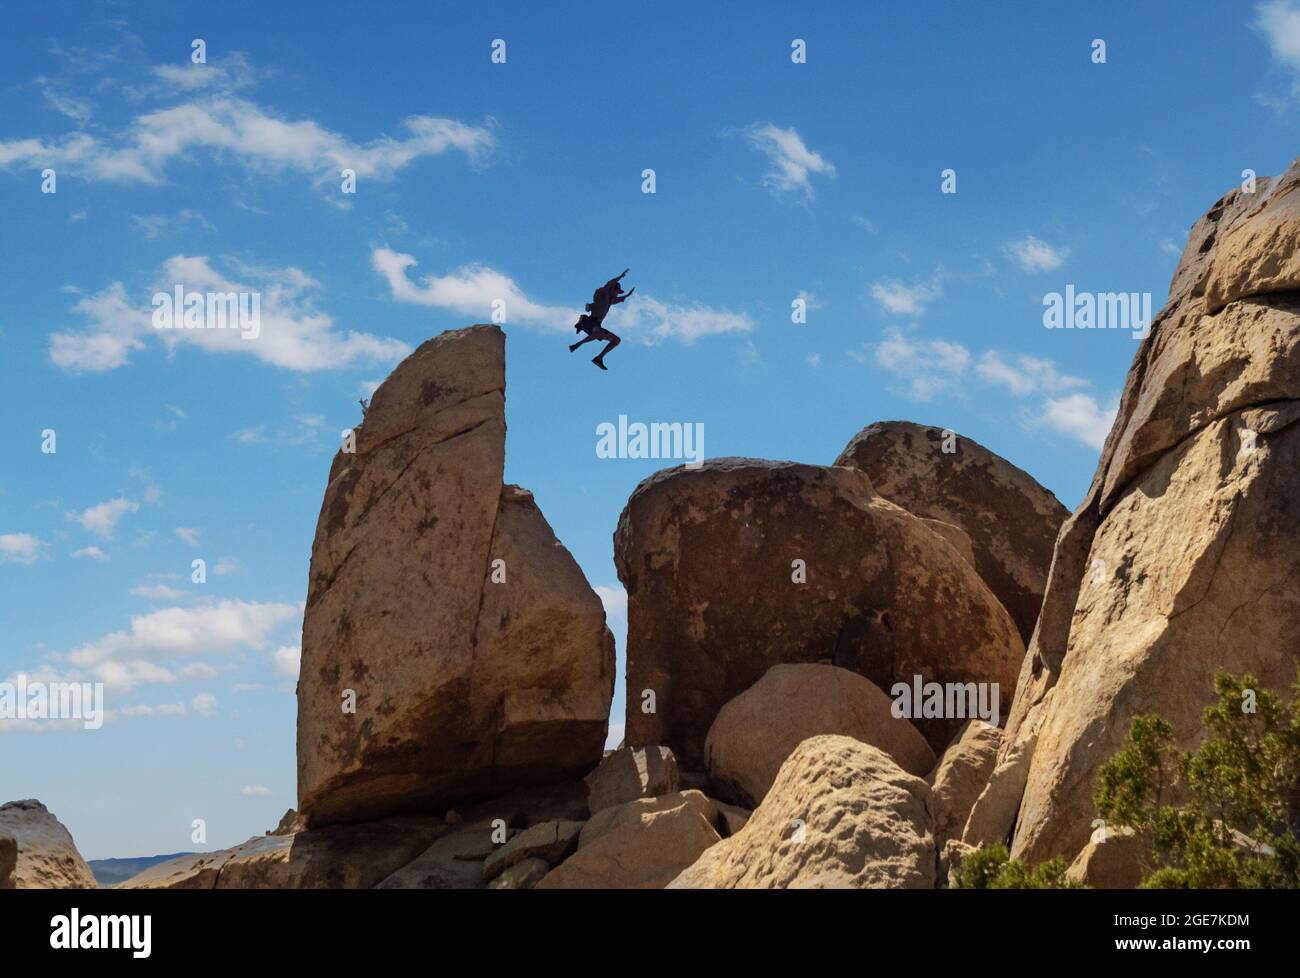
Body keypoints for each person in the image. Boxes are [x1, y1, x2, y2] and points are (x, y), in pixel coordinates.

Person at [569, 269, 635, 370]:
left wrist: (628, 295)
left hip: (596, 325)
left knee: (616, 340)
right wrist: (620, 276)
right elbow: (608, 285)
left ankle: (599, 358)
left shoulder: (611, 300)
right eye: (617, 291)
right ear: (612, 289)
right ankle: (578, 341)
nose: (618, 294)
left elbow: (621, 299)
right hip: (590, 322)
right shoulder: (603, 293)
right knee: (598, 332)